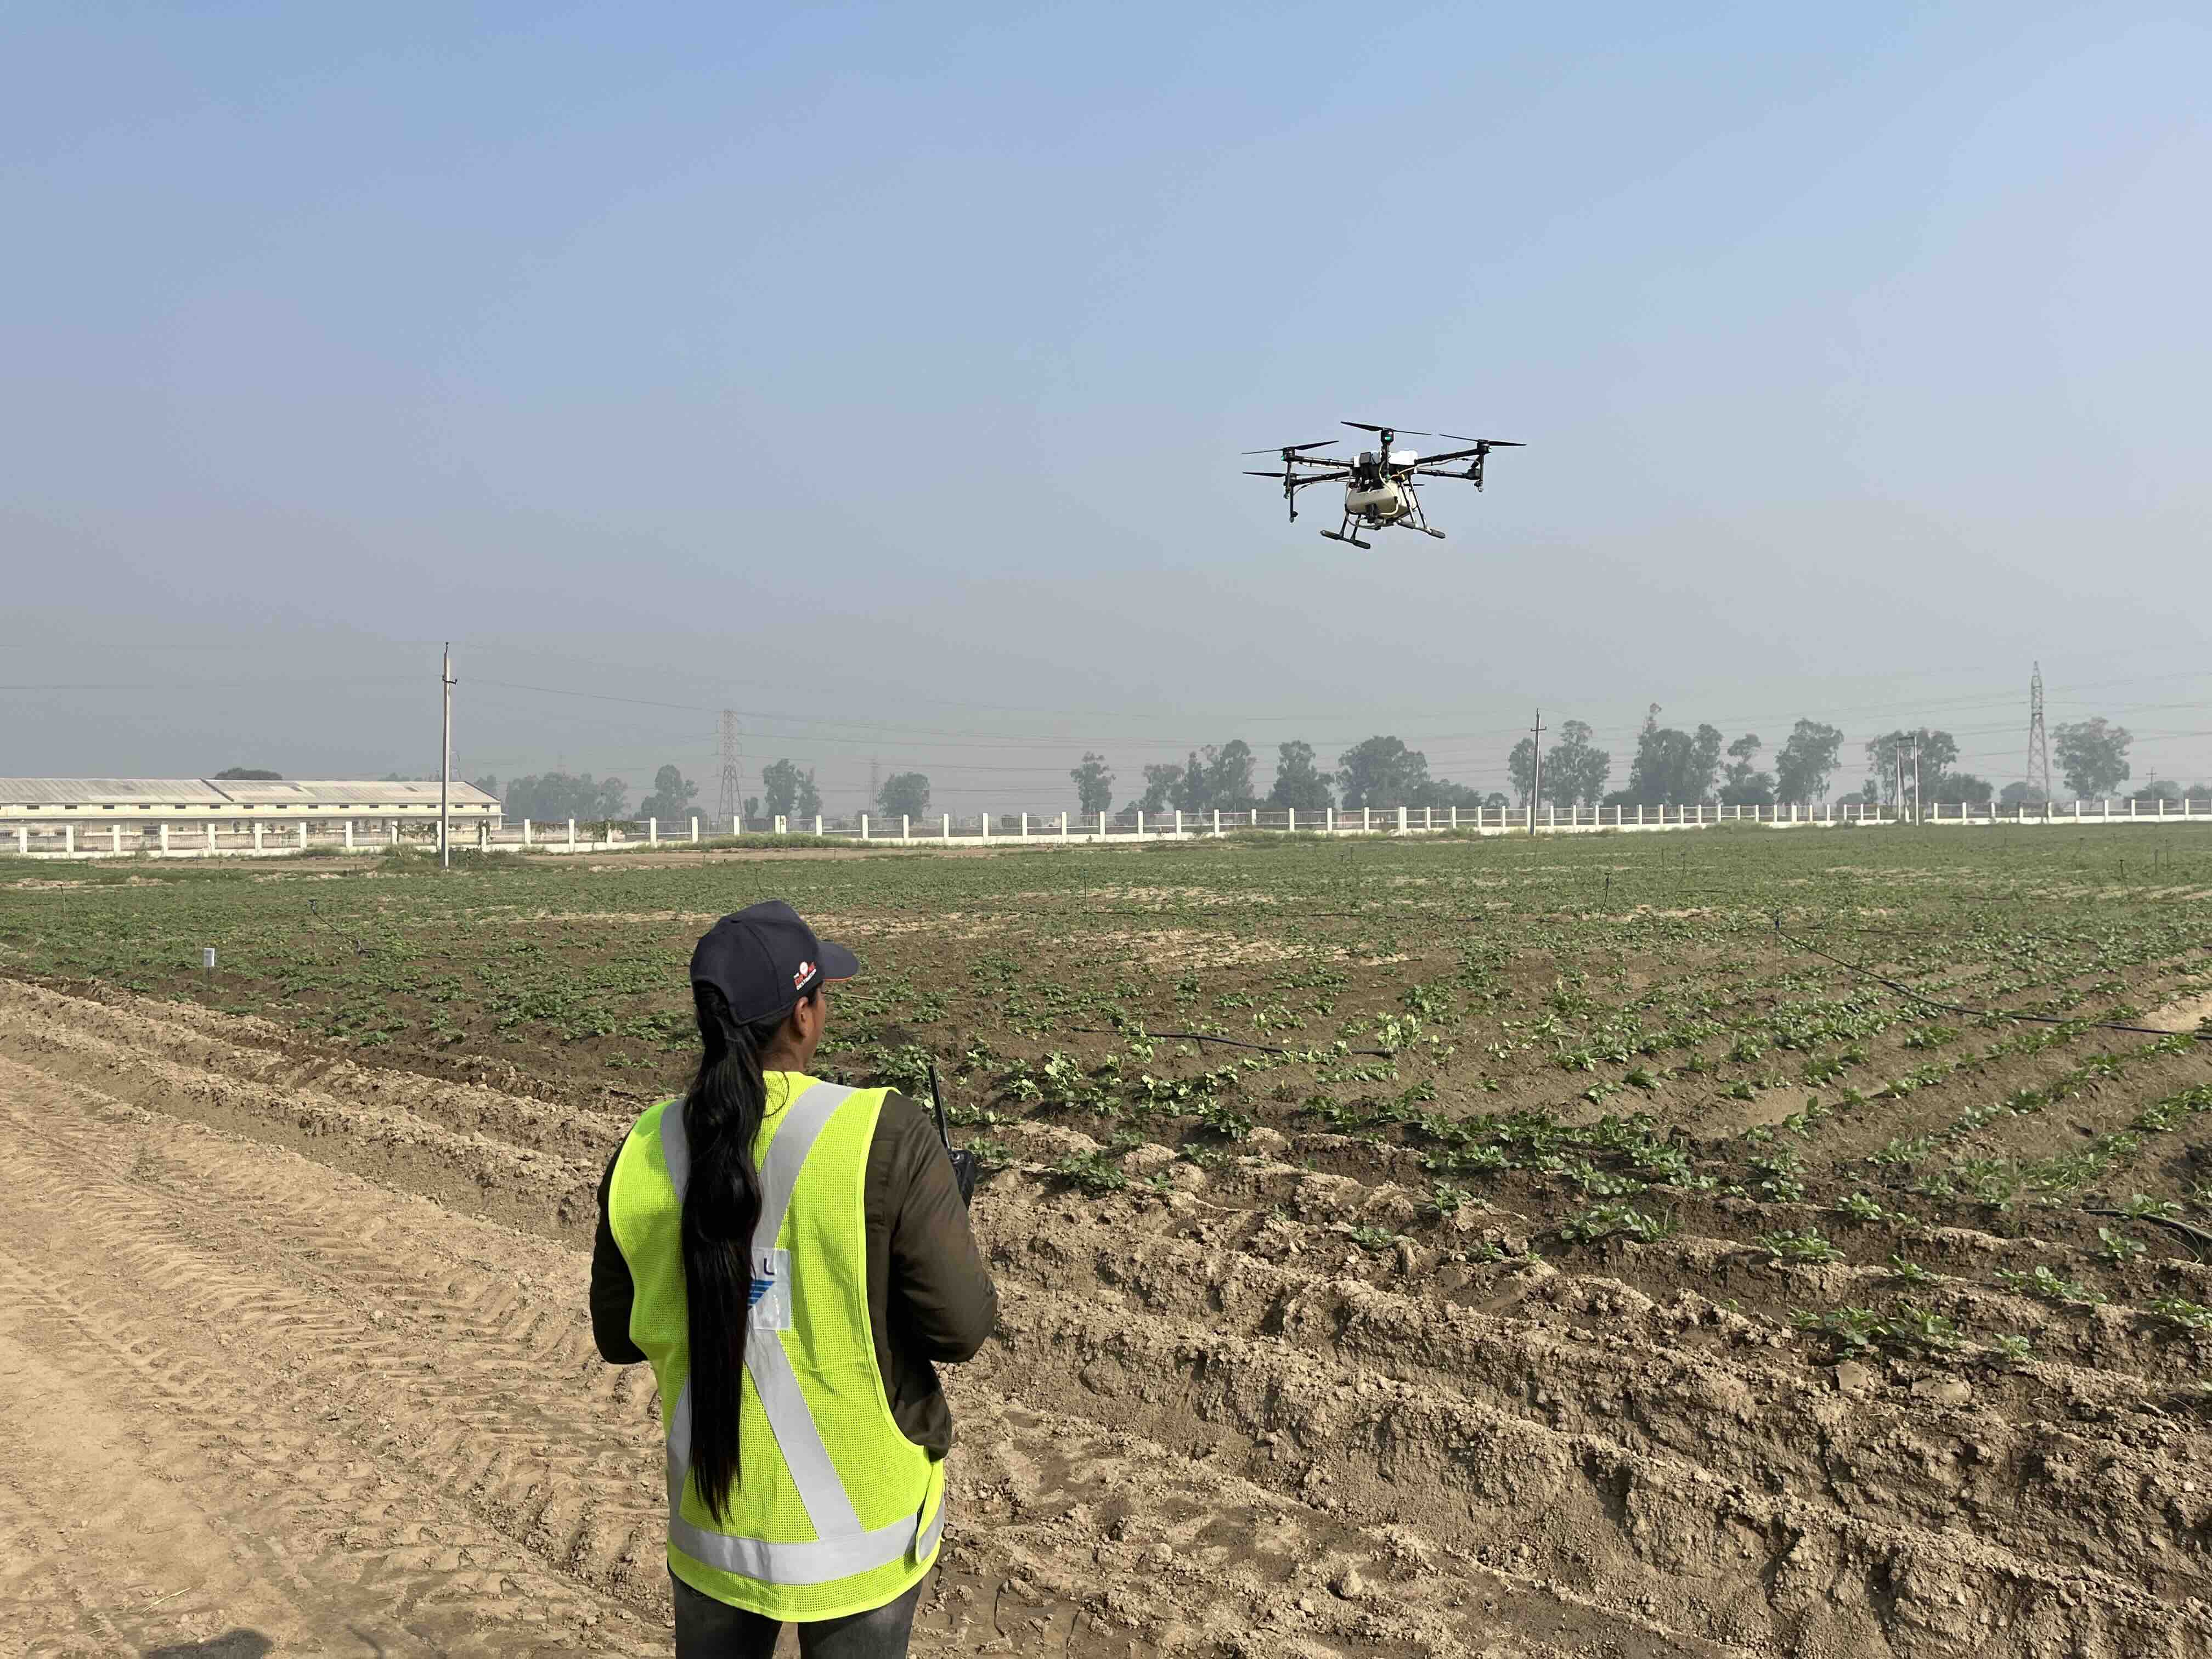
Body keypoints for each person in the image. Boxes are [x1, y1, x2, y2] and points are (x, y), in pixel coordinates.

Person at [591, 900, 997, 1657]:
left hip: (716, 1527)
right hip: (860, 1540)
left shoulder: (645, 1147)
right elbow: (960, 1327)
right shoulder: (887, 1134)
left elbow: (618, 1336)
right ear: (803, 1016)